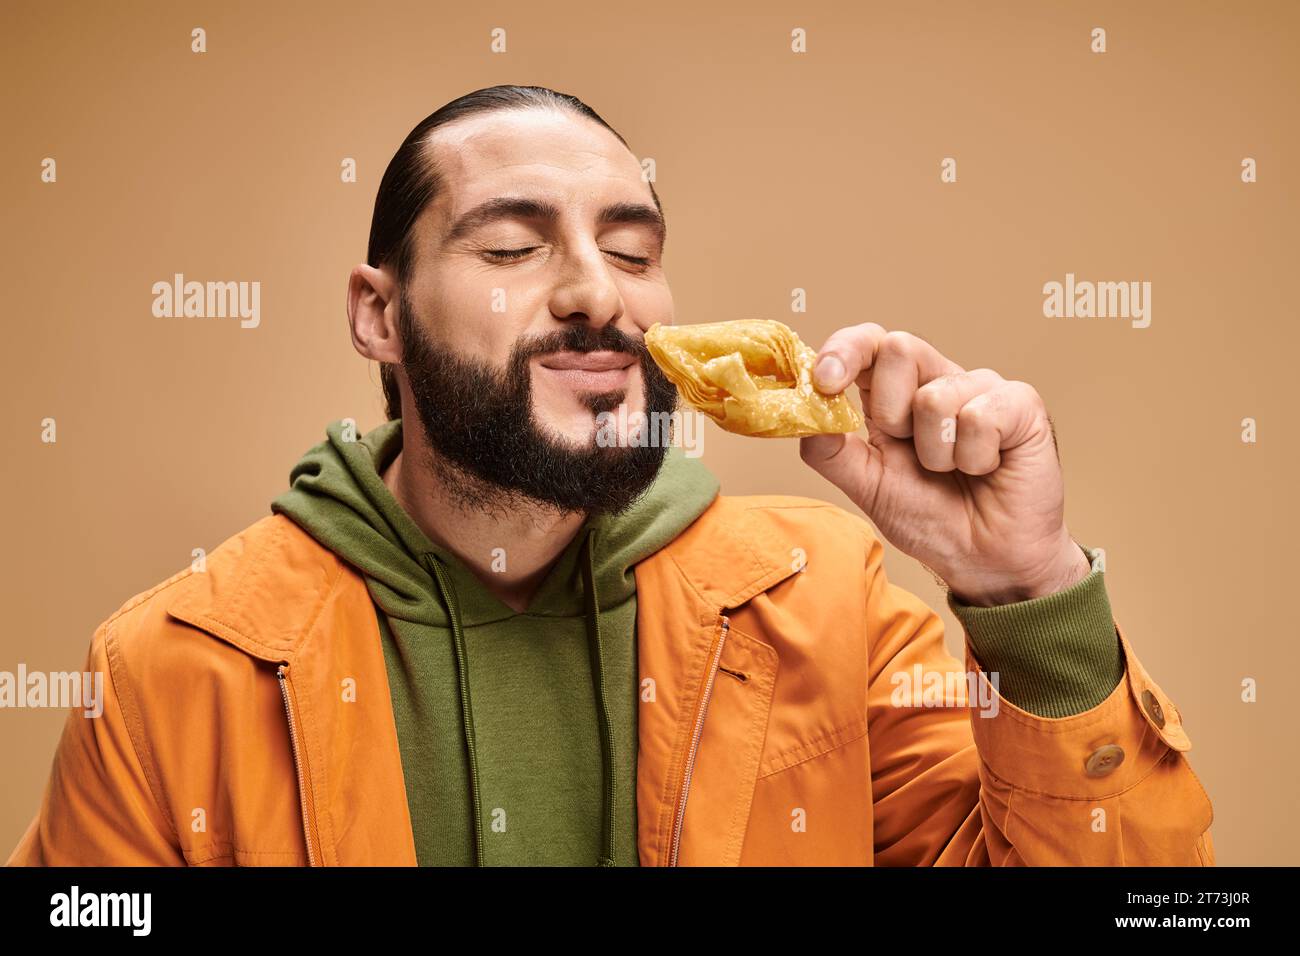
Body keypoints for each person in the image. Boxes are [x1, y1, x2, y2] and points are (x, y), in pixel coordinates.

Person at [7, 85, 1213, 866]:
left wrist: (1026, 594)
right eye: (512, 246)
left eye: (633, 249)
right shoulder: (175, 667)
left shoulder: (828, 603)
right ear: (378, 315)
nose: (599, 292)